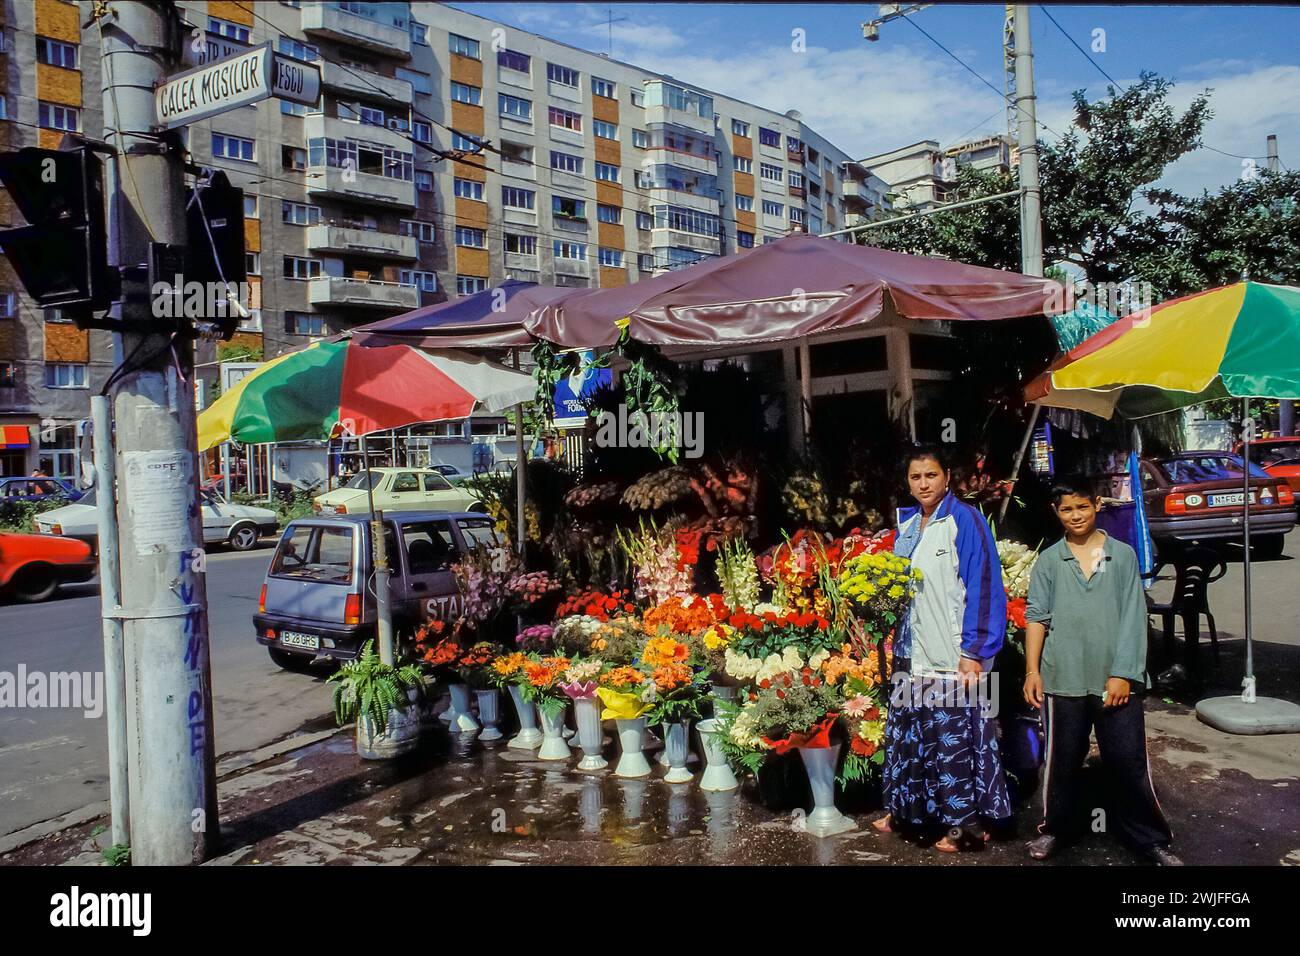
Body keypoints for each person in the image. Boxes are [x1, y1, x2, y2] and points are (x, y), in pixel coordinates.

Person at [1023, 476, 1181, 865]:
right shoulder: (1049, 560)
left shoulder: (1123, 555)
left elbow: (1133, 615)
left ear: (1096, 505)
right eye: (1066, 509)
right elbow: (1036, 618)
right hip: (1064, 677)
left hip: (1116, 678)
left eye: (1082, 507)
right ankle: (1056, 829)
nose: (1075, 515)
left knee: (1127, 760)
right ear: (1055, 513)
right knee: (1062, 761)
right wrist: (1032, 671)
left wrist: (1124, 673)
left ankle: (1148, 838)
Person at [873, 443, 1012, 852]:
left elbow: (984, 587)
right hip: (910, 651)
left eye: (930, 475)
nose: (923, 484)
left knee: (953, 741)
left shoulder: (963, 520)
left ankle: (964, 825)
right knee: (910, 735)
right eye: (915, 477)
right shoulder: (910, 526)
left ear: (947, 476)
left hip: (952, 657)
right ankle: (907, 810)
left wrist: (975, 650)